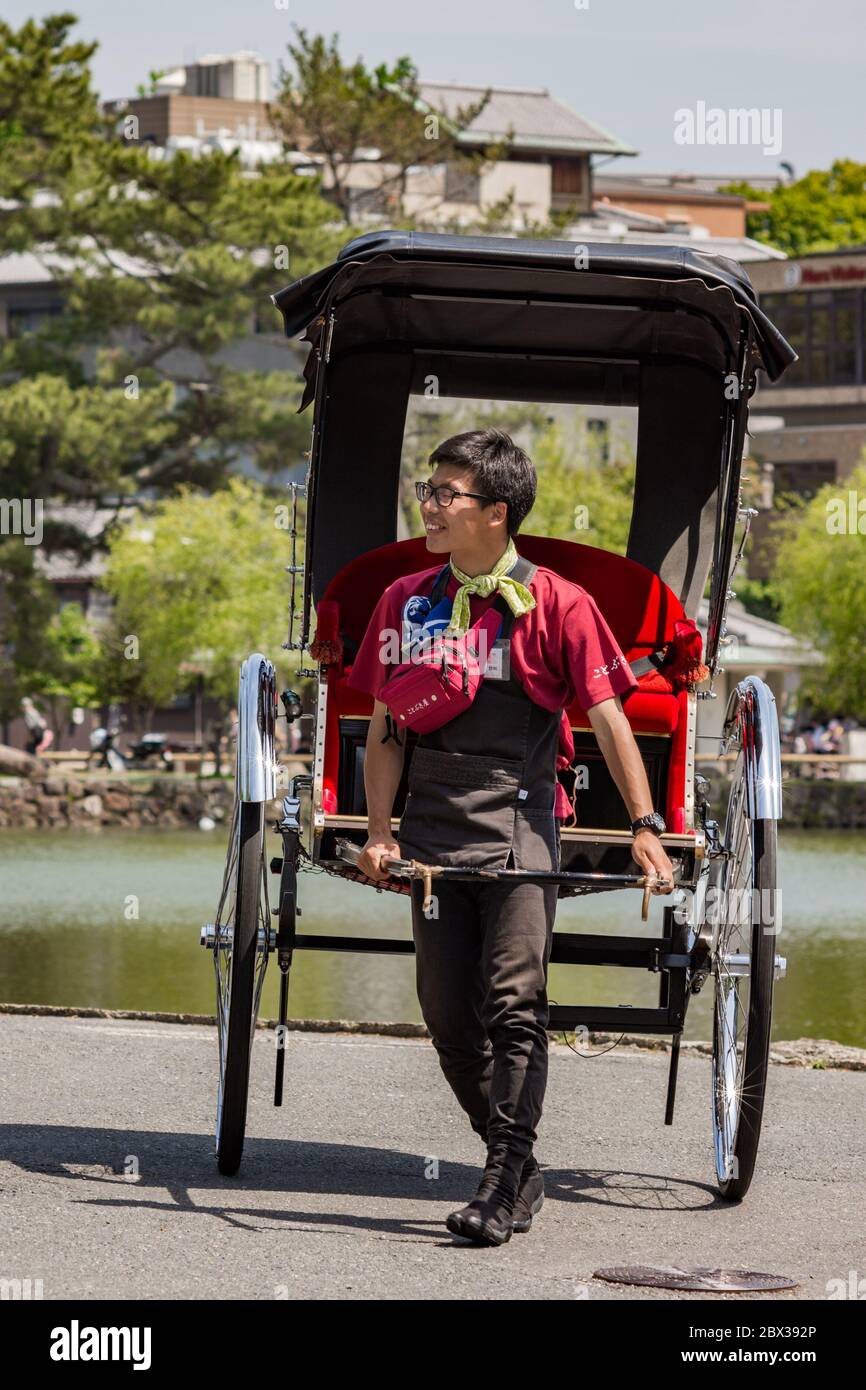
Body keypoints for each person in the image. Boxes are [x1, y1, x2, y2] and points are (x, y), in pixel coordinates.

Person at [347, 428, 674, 1248]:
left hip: (523, 820)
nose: (428, 504)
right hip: (428, 827)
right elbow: (384, 732)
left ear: (496, 513)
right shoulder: (404, 602)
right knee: (448, 1018)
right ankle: (519, 1170)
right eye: (428, 488)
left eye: (445, 493)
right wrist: (379, 833)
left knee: (514, 1002)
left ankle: (500, 1179)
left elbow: (608, 719)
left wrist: (643, 825)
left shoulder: (561, 604)